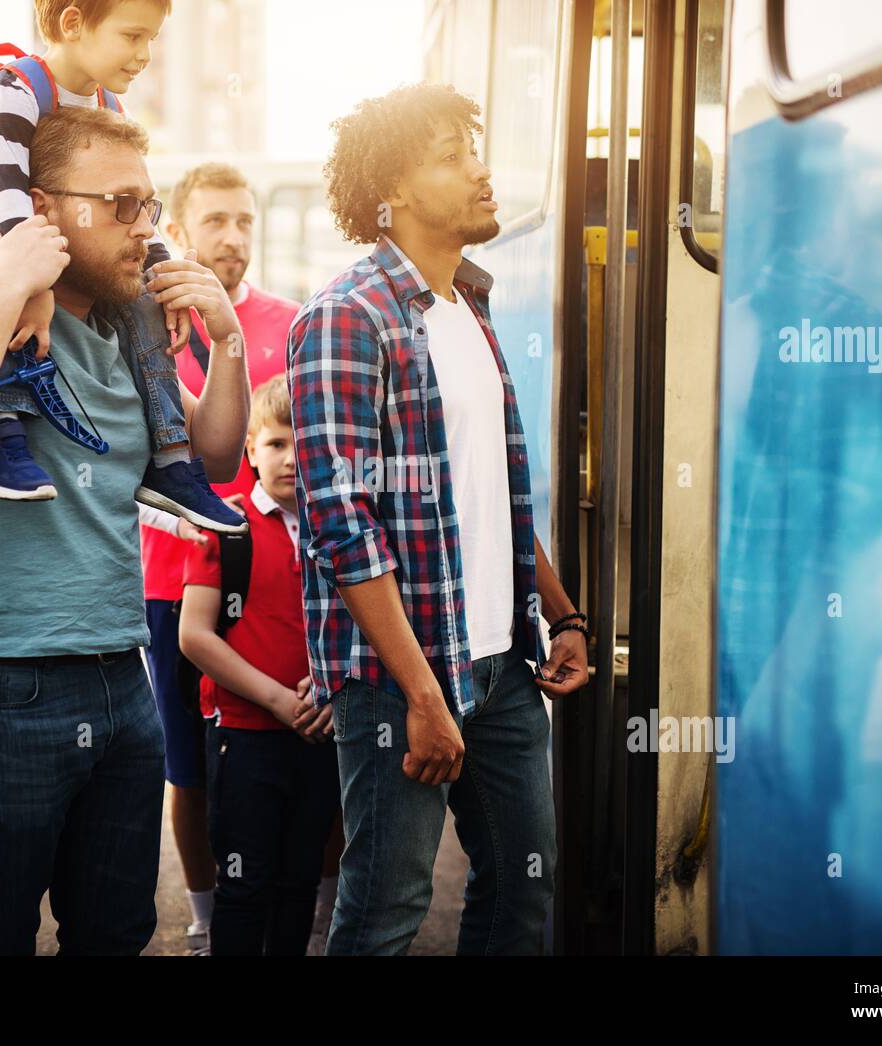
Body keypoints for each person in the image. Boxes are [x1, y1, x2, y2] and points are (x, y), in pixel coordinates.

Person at [0, 105, 251, 955]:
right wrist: (9, 278)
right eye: (119, 204)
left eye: (149, 207)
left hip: (120, 675)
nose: (144, 229)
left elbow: (216, 458)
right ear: (40, 207)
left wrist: (226, 340)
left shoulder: (123, 326)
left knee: (116, 930)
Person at [288, 84, 590, 955]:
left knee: (523, 889)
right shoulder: (348, 319)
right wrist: (422, 695)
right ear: (395, 190)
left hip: (500, 662)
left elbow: (492, 490)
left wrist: (558, 612)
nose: (481, 170)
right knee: (385, 914)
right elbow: (341, 528)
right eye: (452, 155)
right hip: (399, 679)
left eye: (474, 148)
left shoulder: (469, 306)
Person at [0, 0, 242, 532]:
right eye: (132, 36)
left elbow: (136, 210)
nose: (144, 56)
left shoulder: (107, 106)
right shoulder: (12, 92)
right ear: (72, 24)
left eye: (152, 41)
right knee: (1, 280)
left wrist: (162, 281)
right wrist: (33, 283)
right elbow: (5, 204)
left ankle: (171, 457)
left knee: (138, 292)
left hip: (27, 238)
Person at [138, 163, 301, 954]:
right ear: (179, 228)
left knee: (303, 753)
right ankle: (207, 926)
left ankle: (314, 916)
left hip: (282, 583)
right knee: (192, 766)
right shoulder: (146, 323)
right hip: (175, 585)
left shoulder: (294, 325)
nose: (232, 238)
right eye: (214, 222)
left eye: (244, 221)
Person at [178, 375, 339, 955]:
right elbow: (194, 636)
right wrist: (275, 698)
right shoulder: (226, 523)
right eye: (275, 444)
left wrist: (330, 686)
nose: (292, 458)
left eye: (305, 443)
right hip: (245, 740)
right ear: (249, 450)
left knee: (299, 886)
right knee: (245, 887)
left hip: (320, 736)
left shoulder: (340, 531)